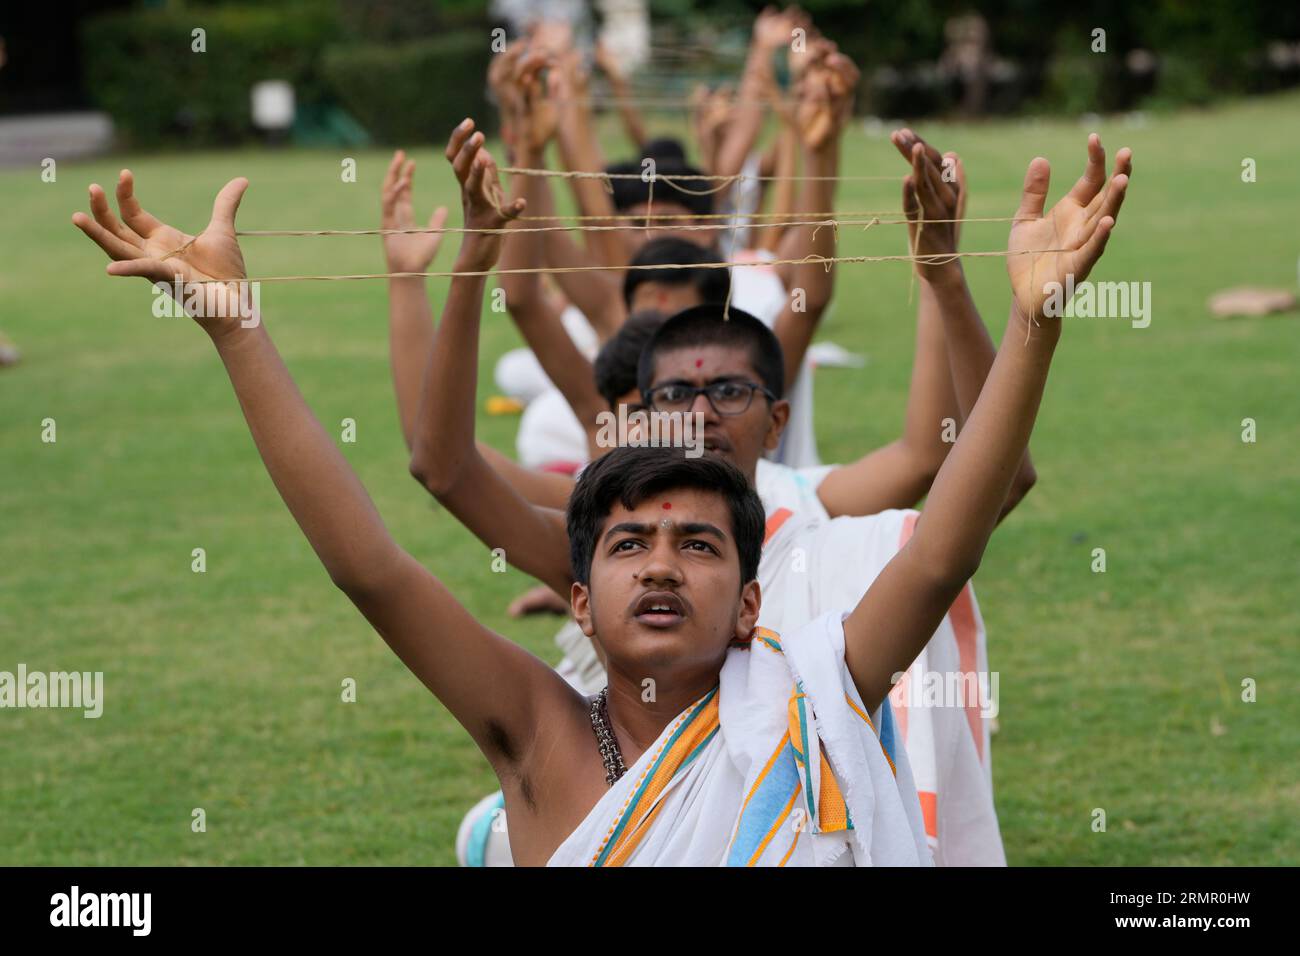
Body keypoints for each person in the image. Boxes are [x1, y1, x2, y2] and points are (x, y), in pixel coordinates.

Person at [70, 117, 1127, 862]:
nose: (662, 560)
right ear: (576, 596)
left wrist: (1030, 316)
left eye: (701, 545)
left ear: (753, 601)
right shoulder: (537, 730)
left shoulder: (815, 686)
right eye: (628, 545)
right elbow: (372, 564)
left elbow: (945, 545)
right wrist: (235, 327)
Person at [407, 122, 1131, 864]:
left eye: (727, 390)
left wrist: (992, 302)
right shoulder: (609, 536)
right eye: (673, 394)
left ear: (776, 418)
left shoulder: (822, 515)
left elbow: (982, 494)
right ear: (637, 416)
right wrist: (451, 273)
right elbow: (445, 471)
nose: (699, 411)